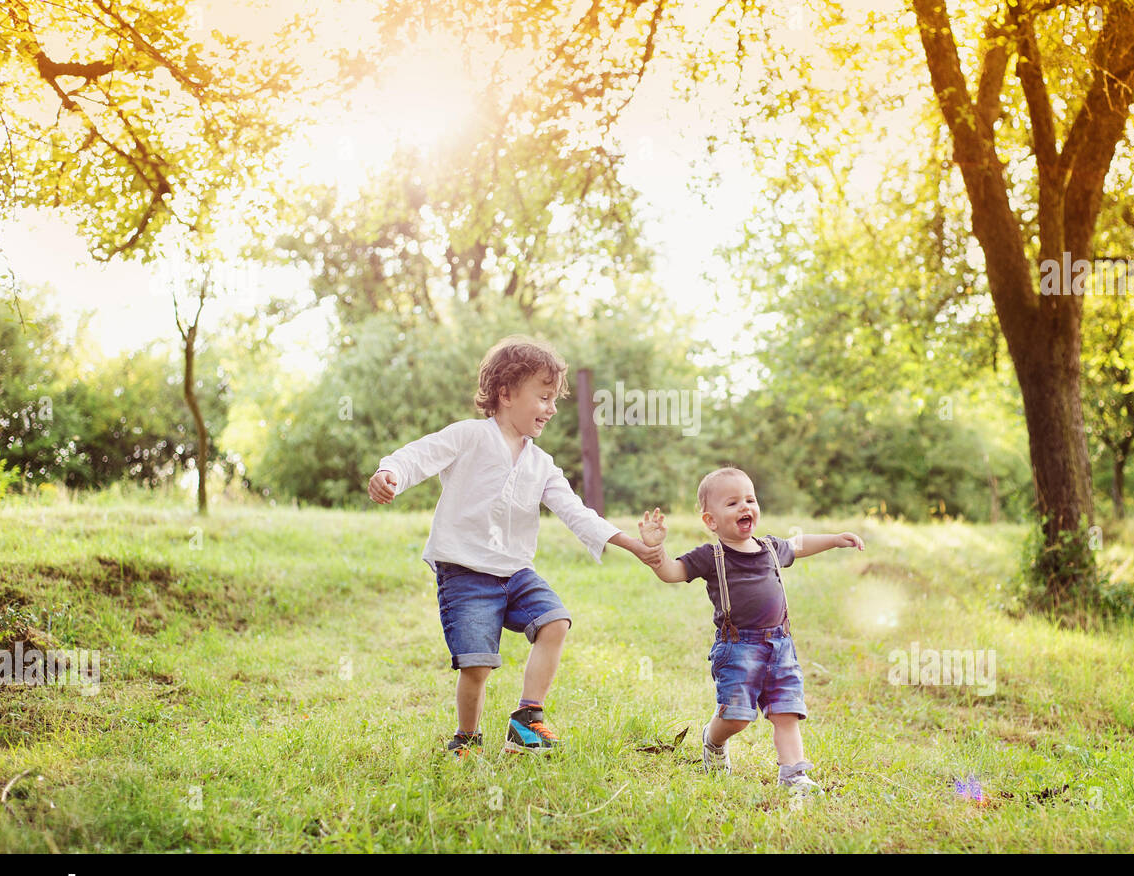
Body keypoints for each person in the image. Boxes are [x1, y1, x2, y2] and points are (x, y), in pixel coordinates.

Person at [368, 335, 664, 758]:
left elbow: (577, 513)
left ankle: (527, 720)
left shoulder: (541, 464)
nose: (551, 408)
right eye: (543, 397)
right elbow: (418, 454)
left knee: (555, 621)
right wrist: (389, 472)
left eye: (554, 399)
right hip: (465, 572)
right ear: (505, 394)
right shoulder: (469, 436)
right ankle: (466, 738)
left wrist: (634, 545)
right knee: (477, 665)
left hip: (516, 573)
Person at [637, 467, 863, 792]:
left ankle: (794, 776)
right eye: (732, 503)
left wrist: (835, 539)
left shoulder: (770, 547)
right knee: (737, 718)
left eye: (750, 499)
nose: (745, 507)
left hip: (780, 644)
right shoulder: (710, 556)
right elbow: (671, 572)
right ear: (710, 521)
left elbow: (798, 543)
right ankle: (713, 739)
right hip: (737, 647)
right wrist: (655, 551)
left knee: (786, 710)